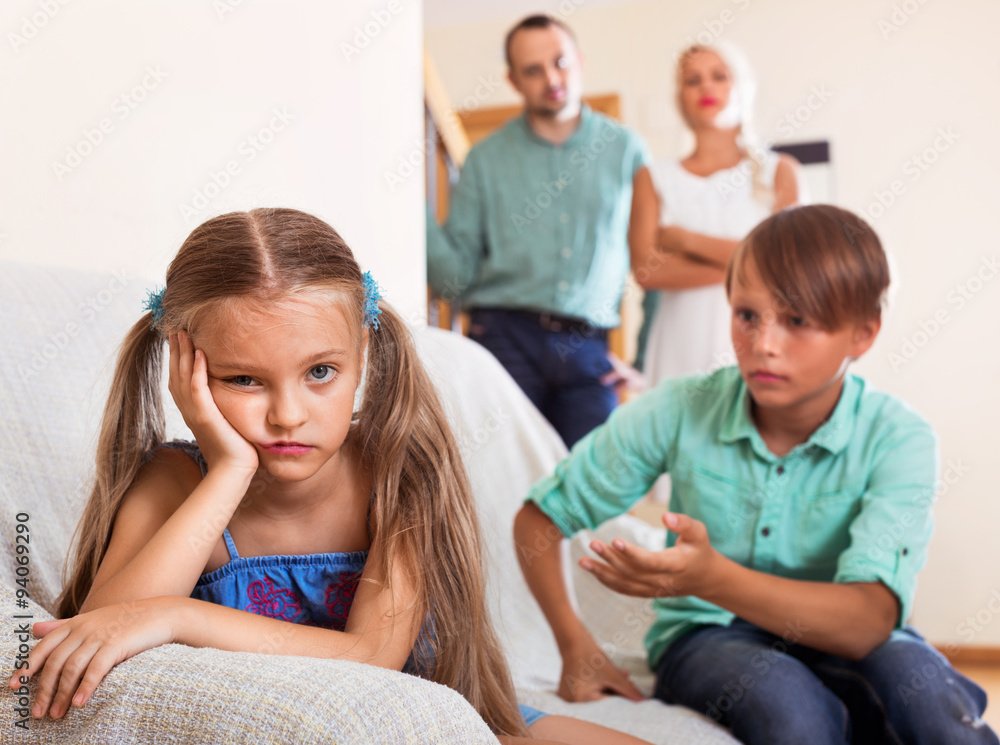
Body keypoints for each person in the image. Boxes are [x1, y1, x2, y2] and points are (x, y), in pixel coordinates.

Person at [9, 208, 654, 745]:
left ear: (362, 355)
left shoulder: (396, 473)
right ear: (187, 373)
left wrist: (177, 616)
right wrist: (229, 469)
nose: (288, 416)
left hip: (435, 720)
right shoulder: (178, 481)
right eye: (243, 379)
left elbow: (372, 659)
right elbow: (106, 629)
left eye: (320, 372)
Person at [514, 205, 998, 745]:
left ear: (862, 335)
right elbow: (538, 519)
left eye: (797, 321)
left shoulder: (900, 437)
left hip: (845, 633)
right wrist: (574, 645)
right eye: (747, 315)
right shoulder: (680, 407)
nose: (764, 344)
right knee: (791, 712)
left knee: (931, 702)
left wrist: (710, 576)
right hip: (710, 636)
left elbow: (866, 624)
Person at [427, 14, 657, 449]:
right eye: (533, 70)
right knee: (502, 477)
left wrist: (645, 360)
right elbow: (453, 277)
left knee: (591, 479)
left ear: (580, 61)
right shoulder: (485, 160)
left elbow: (653, 259)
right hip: (502, 339)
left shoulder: (627, 150)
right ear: (513, 80)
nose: (551, 78)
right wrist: (409, 212)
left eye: (560, 62)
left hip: (590, 347)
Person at [632, 40, 802, 381]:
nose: (706, 87)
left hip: (759, 342)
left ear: (742, 87)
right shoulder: (653, 178)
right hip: (679, 342)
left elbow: (789, 265)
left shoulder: (780, 172)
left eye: (719, 76)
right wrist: (753, 265)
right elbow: (648, 272)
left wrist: (686, 242)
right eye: (693, 80)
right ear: (680, 96)